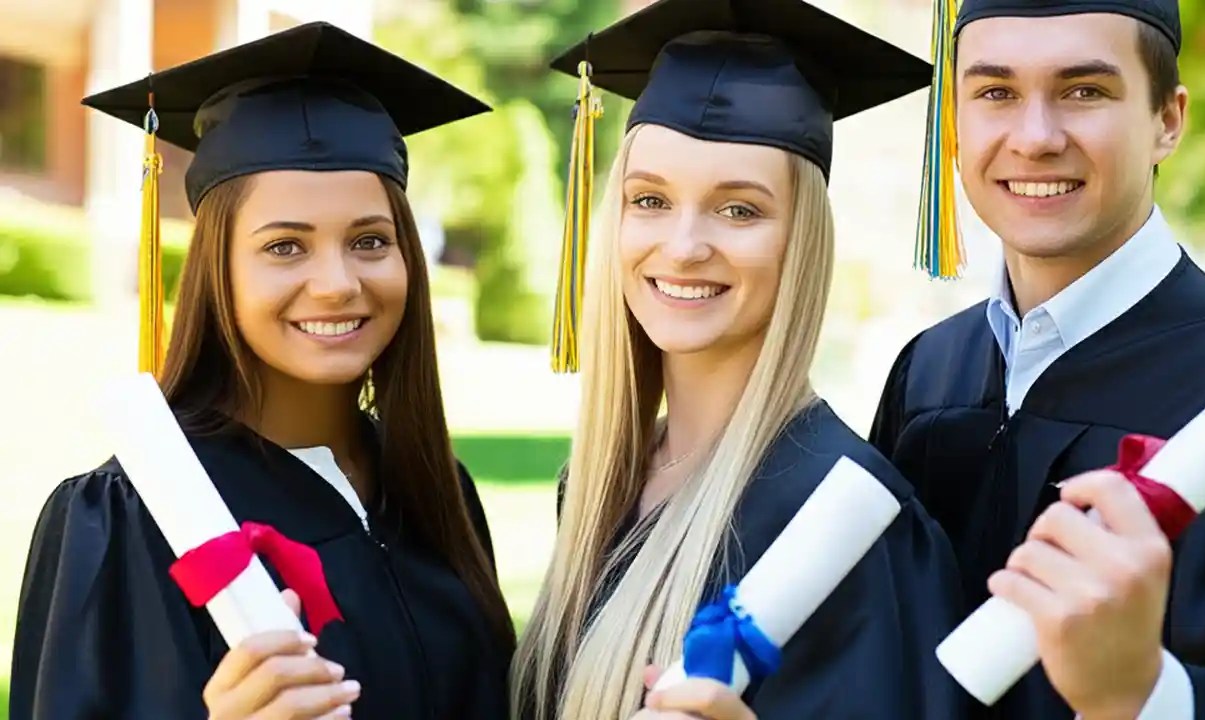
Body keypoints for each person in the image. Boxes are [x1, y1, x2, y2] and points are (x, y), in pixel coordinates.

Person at [9, 22, 514, 720]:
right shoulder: (129, 517)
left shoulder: (434, 493)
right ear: (219, 271)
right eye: (284, 247)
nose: (337, 283)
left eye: (370, 240)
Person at [513, 0, 968, 718]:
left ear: (802, 240)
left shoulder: (849, 525)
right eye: (651, 199)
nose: (685, 245)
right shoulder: (601, 486)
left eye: (739, 210)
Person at [871, 0, 1205, 718]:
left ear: (1168, 120)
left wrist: (1145, 698)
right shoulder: (927, 374)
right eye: (995, 93)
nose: (1034, 137)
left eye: (1084, 91)